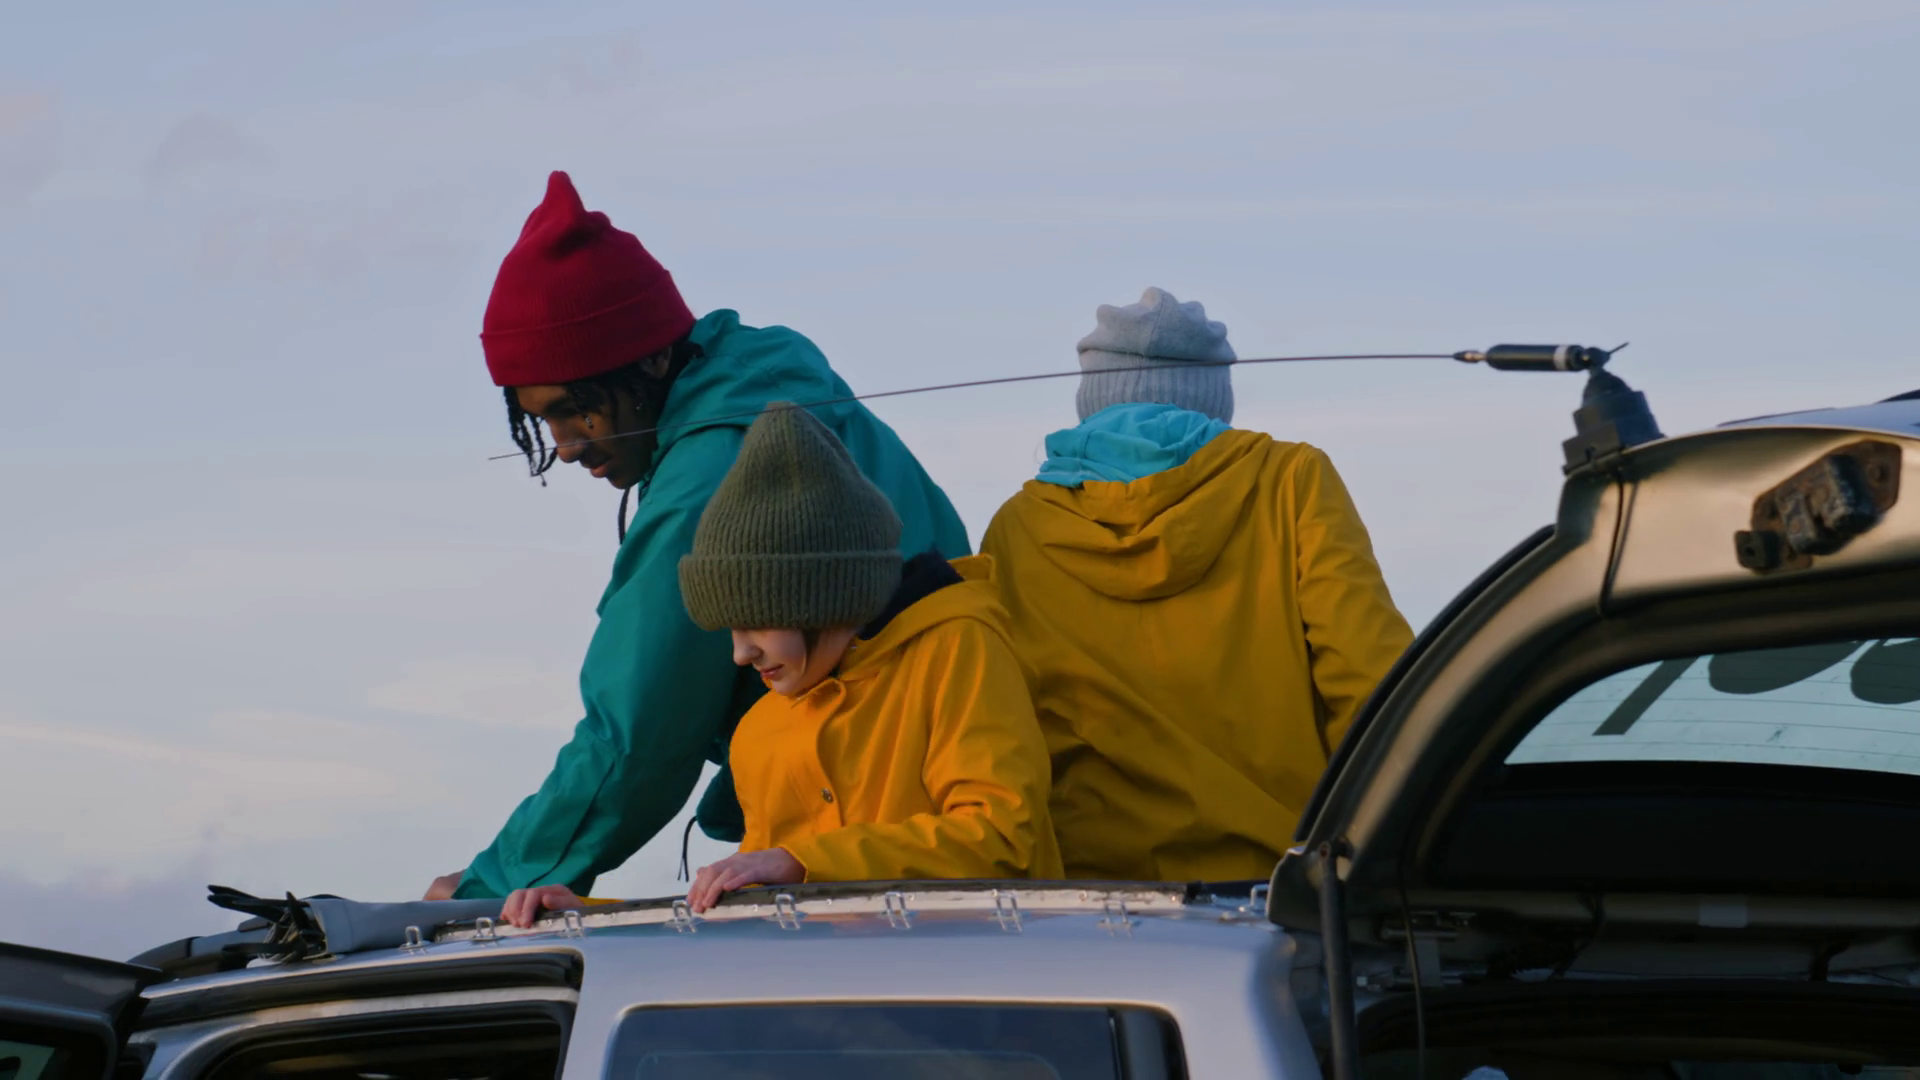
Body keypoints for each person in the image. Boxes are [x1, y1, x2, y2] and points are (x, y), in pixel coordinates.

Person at [426, 172, 970, 901]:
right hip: (898, 841)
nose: (563, 445)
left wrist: (492, 891)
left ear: (653, 360)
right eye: (538, 421)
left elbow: (639, 732)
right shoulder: (777, 388)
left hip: (869, 867)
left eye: (578, 410)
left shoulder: (711, 474)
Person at [499, 405, 1060, 925]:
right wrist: (593, 916)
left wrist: (801, 862)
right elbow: (746, 907)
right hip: (839, 1014)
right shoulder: (761, 731)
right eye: (732, 631)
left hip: (986, 1006)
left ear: (825, 597)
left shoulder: (958, 649)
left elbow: (1002, 837)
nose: (741, 654)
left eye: (759, 621)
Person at [979, 287, 1414, 883]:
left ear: (1090, 399)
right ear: (1215, 398)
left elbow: (1000, 718)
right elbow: (1368, 679)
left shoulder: (1018, 525)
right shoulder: (1291, 480)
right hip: (1272, 878)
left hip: (1084, 891)